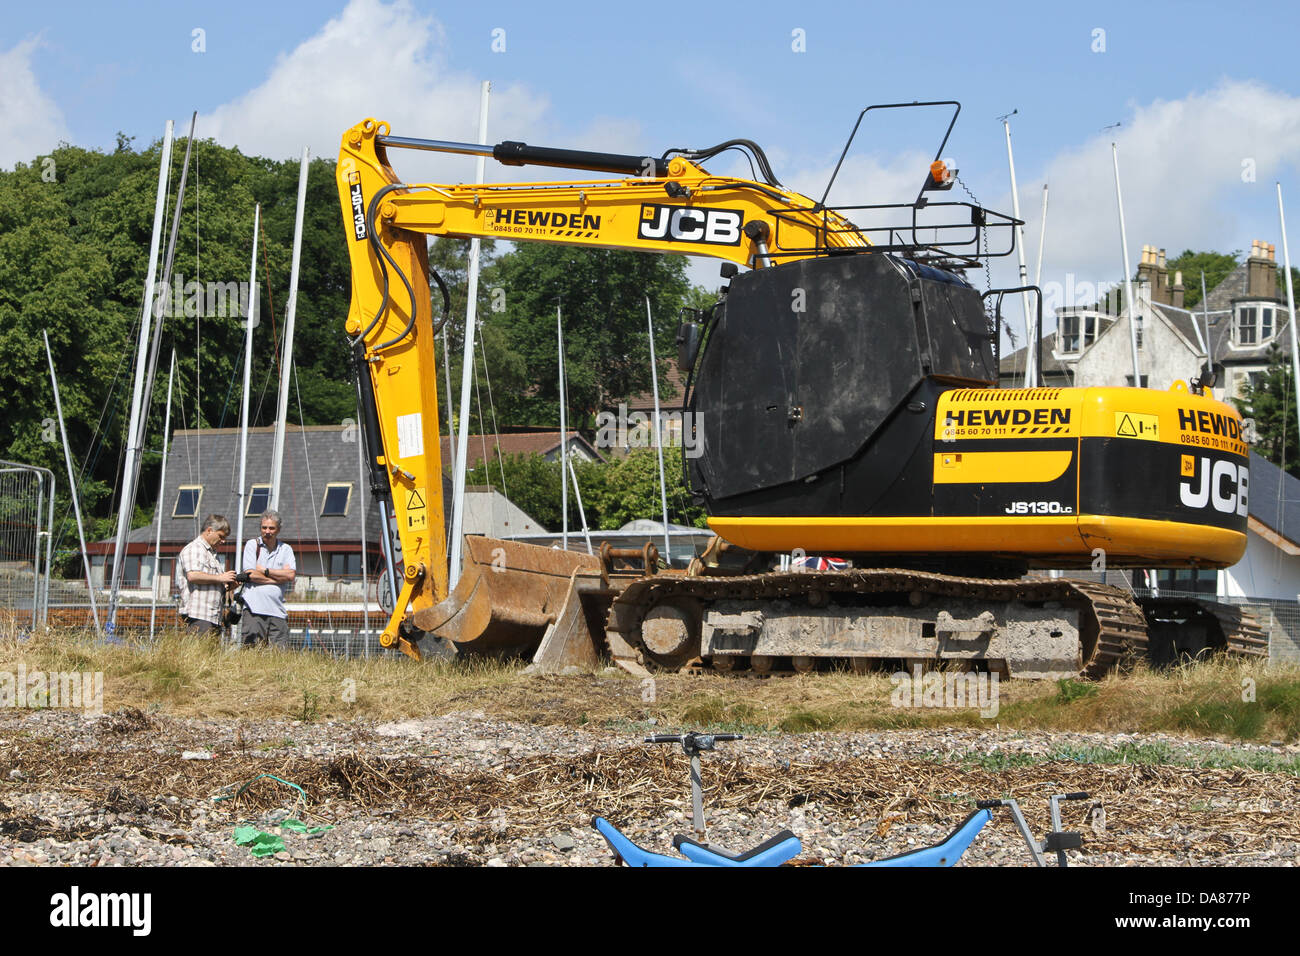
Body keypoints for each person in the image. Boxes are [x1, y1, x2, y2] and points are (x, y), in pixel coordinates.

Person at [240, 509, 296, 648]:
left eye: (271, 528)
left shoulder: (286, 549)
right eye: (264, 528)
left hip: (277, 611)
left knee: (279, 656)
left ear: (278, 530)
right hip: (254, 610)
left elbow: (290, 575)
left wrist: (265, 570)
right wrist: (277, 578)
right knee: (251, 652)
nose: (267, 531)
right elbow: (250, 574)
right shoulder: (252, 545)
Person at [176, 515, 236, 634]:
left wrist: (229, 586)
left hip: (213, 616)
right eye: (221, 536)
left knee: (211, 653)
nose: (223, 541)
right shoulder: (194, 549)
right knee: (199, 652)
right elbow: (193, 576)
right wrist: (221, 578)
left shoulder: (212, 554)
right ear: (209, 530)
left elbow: (211, 583)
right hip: (198, 615)